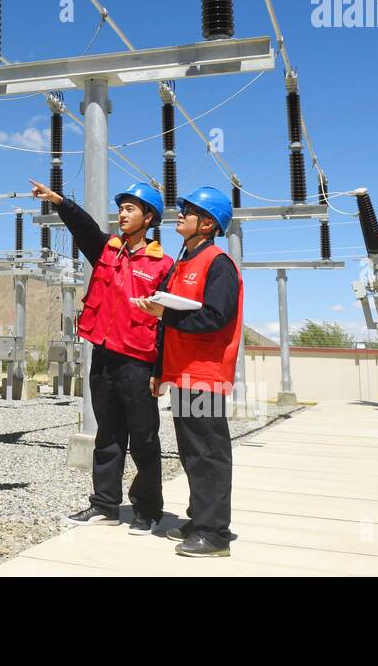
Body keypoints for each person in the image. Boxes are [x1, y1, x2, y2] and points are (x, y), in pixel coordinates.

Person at [29, 178, 173, 535]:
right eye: (121, 208)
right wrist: (61, 203)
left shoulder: (162, 265)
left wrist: (162, 370)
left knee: (144, 438)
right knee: (107, 435)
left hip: (138, 362)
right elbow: (85, 228)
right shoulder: (108, 251)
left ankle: (148, 509)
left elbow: (168, 324)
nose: (122, 214)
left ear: (149, 217)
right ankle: (105, 505)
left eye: (130, 209)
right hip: (104, 356)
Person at [133, 186, 243, 558]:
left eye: (189, 211)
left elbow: (215, 317)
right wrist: (160, 370)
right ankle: (200, 520)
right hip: (182, 374)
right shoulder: (184, 263)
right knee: (191, 451)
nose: (180, 215)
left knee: (208, 452)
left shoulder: (218, 263)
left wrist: (166, 312)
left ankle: (214, 533)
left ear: (208, 223)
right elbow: (169, 324)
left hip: (205, 374)